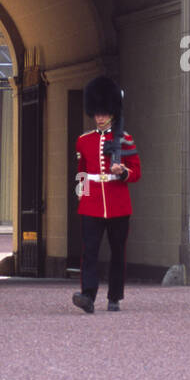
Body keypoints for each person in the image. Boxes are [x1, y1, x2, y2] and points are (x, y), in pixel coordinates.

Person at [72, 76, 141, 314]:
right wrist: (83, 195)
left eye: (104, 113)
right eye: (97, 113)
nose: (100, 117)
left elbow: (137, 172)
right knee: (89, 251)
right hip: (91, 205)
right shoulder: (83, 141)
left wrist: (122, 172)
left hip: (118, 203)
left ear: (112, 113)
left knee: (117, 252)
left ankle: (114, 297)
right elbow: (82, 173)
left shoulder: (125, 139)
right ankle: (88, 295)